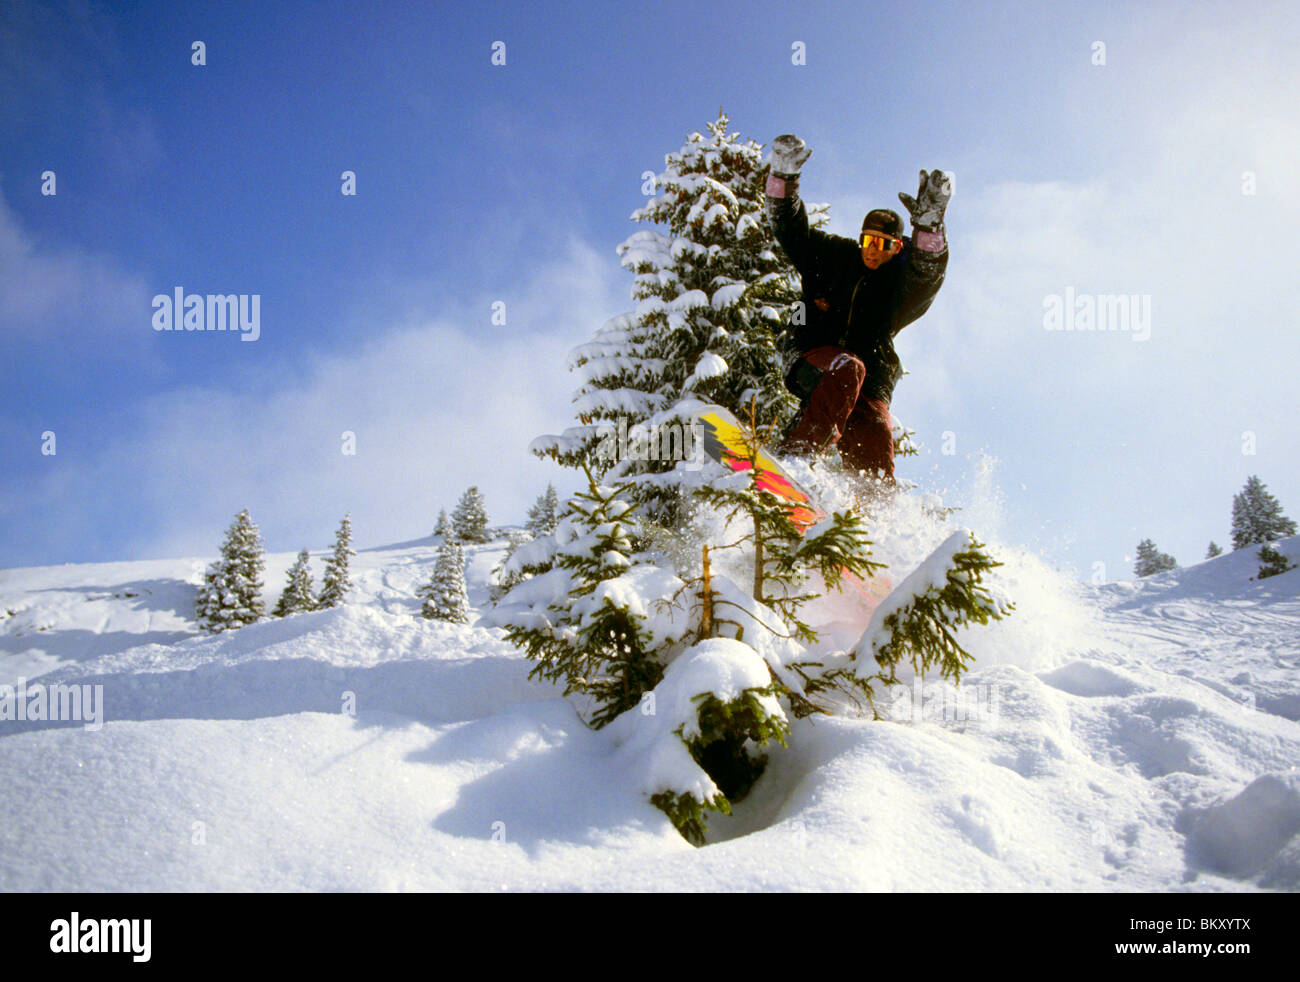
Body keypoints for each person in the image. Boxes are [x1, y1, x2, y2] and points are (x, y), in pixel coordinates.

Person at [764, 133, 952, 483]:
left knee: (877, 436)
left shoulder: (898, 286)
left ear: (898, 247)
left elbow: (928, 274)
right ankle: (795, 459)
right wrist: (783, 178)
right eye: (867, 240)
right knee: (847, 368)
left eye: (882, 244)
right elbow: (790, 230)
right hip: (811, 357)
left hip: (869, 382)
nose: (872, 250)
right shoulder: (833, 257)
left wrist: (929, 228)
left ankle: (875, 520)